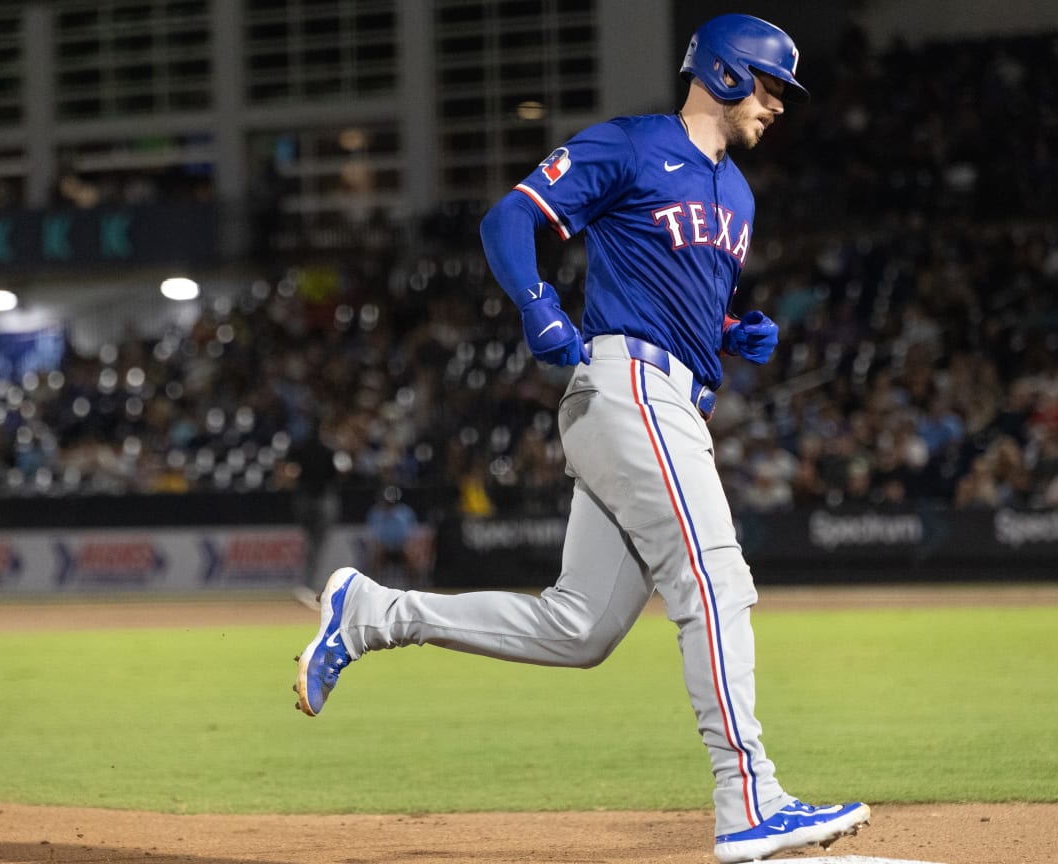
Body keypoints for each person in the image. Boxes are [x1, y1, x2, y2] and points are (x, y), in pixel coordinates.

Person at [294, 15, 870, 862]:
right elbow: (507, 221)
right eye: (772, 84)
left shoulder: (737, 193)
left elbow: (671, 285)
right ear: (724, 73)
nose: (781, 104)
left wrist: (729, 326)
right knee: (714, 579)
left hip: (669, 397)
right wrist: (539, 308)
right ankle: (748, 797)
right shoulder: (633, 144)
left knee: (579, 628)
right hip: (630, 389)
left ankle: (375, 614)